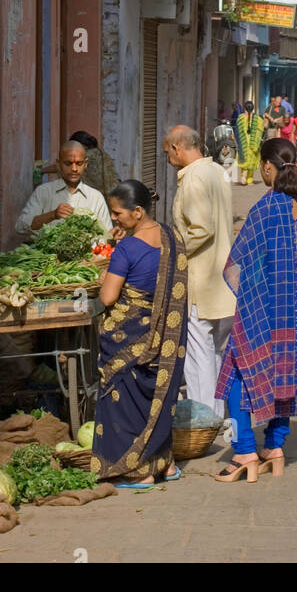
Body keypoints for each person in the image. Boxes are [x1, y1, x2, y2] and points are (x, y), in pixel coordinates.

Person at [214, 163, 297, 482]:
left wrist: (248, 293)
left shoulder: (265, 207)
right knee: (287, 377)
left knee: (237, 376)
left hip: (261, 310)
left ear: (267, 168)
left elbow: (239, 260)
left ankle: (244, 451)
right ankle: (275, 448)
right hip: (293, 313)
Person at [90, 181, 187, 489]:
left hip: (128, 340)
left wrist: (105, 276)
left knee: (126, 403)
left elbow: (107, 298)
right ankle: (165, 464)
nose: (114, 219)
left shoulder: (127, 250)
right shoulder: (173, 238)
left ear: (137, 211)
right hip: (165, 342)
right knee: (156, 400)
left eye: (117, 213)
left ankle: (137, 471)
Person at [164, 125, 235, 417]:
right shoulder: (216, 171)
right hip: (222, 278)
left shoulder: (193, 178)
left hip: (201, 281)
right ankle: (216, 414)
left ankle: (204, 417)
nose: (168, 157)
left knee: (199, 353)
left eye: (168, 151)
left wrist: (171, 251)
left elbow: (201, 229)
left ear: (177, 149)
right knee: (213, 353)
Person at [15, 140, 113, 237]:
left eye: (79, 163)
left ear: (86, 164)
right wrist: (52, 215)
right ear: (59, 164)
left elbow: (107, 235)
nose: (74, 169)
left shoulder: (96, 197)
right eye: (68, 163)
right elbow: (21, 226)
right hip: (48, 252)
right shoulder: (43, 192)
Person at [69, 130, 119, 200]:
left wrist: (47, 169)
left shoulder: (85, 156)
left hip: (99, 197)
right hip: (114, 194)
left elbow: (64, 165)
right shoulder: (102, 154)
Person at [235, 100, 264, 184]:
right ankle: (249, 179)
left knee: (244, 159)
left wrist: (238, 141)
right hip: (253, 143)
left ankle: (243, 174)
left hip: (243, 142)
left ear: (244, 108)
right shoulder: (258, 119)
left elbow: (237, 131)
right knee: (251, 160)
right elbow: (261, 130)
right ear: (253, 108)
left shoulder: (240, 118)